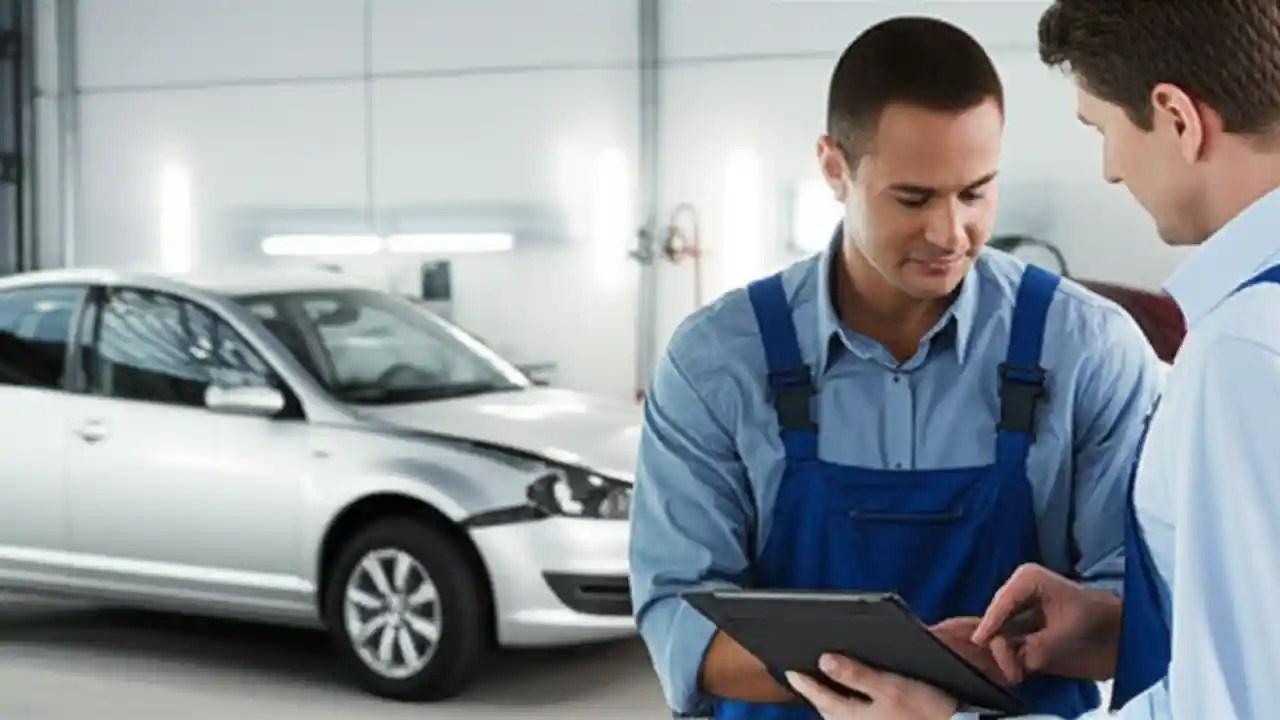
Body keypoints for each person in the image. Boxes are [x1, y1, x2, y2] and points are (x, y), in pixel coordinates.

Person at [628, 15, 1164, 720]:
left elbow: (1143, 615)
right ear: (833, 167)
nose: (949, 233)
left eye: (975, 192)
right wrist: (883, 679)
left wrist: (1017, 653)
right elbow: (680, 615)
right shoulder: (717, 362)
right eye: (912, 199)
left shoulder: (1090, 350)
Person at [790, 1, 1280, 718]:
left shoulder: (1240, 351)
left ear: (1177, 117)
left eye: (1103, 129)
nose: (1111, 169)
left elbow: (1238, 705)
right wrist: (1116, 628)